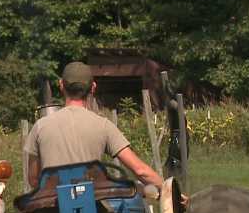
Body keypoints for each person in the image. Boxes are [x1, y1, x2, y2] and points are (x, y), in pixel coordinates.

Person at [23, 61, 163, 191]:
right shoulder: (104, 126)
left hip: (50, 211)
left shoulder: (40, 126)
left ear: (61, 85)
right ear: (93, 88)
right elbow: (140, 170)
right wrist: (168, 190)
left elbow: (34, 179)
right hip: (94, 210)